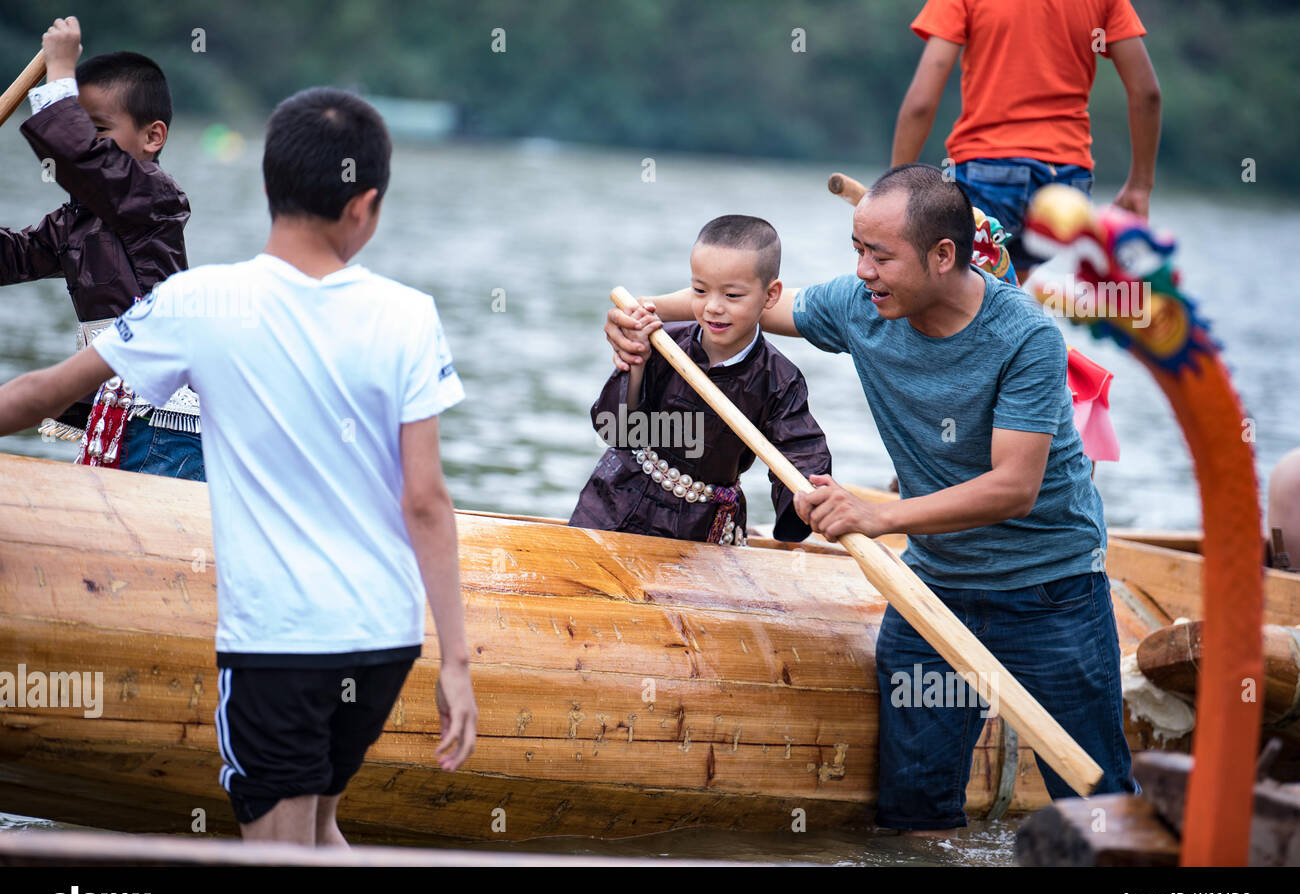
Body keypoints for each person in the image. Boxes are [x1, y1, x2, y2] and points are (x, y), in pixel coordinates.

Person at [0, 87, 477, 846]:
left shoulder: (198, 301)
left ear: (266, 186)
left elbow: (39, 395)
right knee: (320, 830)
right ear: (367, 205)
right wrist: (457, 663)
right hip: (383, 638)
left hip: (281, 642)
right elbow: (427, 502)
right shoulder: (408, 314)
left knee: (281, 850)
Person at [606, 164, 1136, 836]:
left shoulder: (1025, 337)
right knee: (911, 819)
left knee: (1099, 811)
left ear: (945, 256)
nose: (861, 271)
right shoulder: (864, 307)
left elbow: (1014, 486)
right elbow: (752, 301)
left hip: (1050, 595)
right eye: (857, 250)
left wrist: (878, 517)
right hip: (933, 592)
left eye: (880, 255)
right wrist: (638, 314)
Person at [0, 17, 201, 477]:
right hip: (118, 411)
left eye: (99, 132)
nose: (87, 145)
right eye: (81, 130)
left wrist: (60, 71)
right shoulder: (73, 223)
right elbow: (10, 257)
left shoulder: (155, 198)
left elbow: (79, 159)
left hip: (166, 425)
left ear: (152, 137)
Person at [570, 215, 831, 545]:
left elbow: (802, 452)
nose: (713, 308)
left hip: (704, 527)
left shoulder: (780, 380)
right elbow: (615, 430)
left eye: (732, 295)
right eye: (699, 290)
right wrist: (636, 363)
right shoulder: (665, 343)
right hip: (619, 500)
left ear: (770, 296)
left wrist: (808, 499)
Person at [891, 0, 1162, 279]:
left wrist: (893, 190)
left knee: (947, 295)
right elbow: (1147, 93)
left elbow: (921, 103)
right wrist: (1140, 185)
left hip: (989, 174)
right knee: (1000, 296)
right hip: (1067, 187)